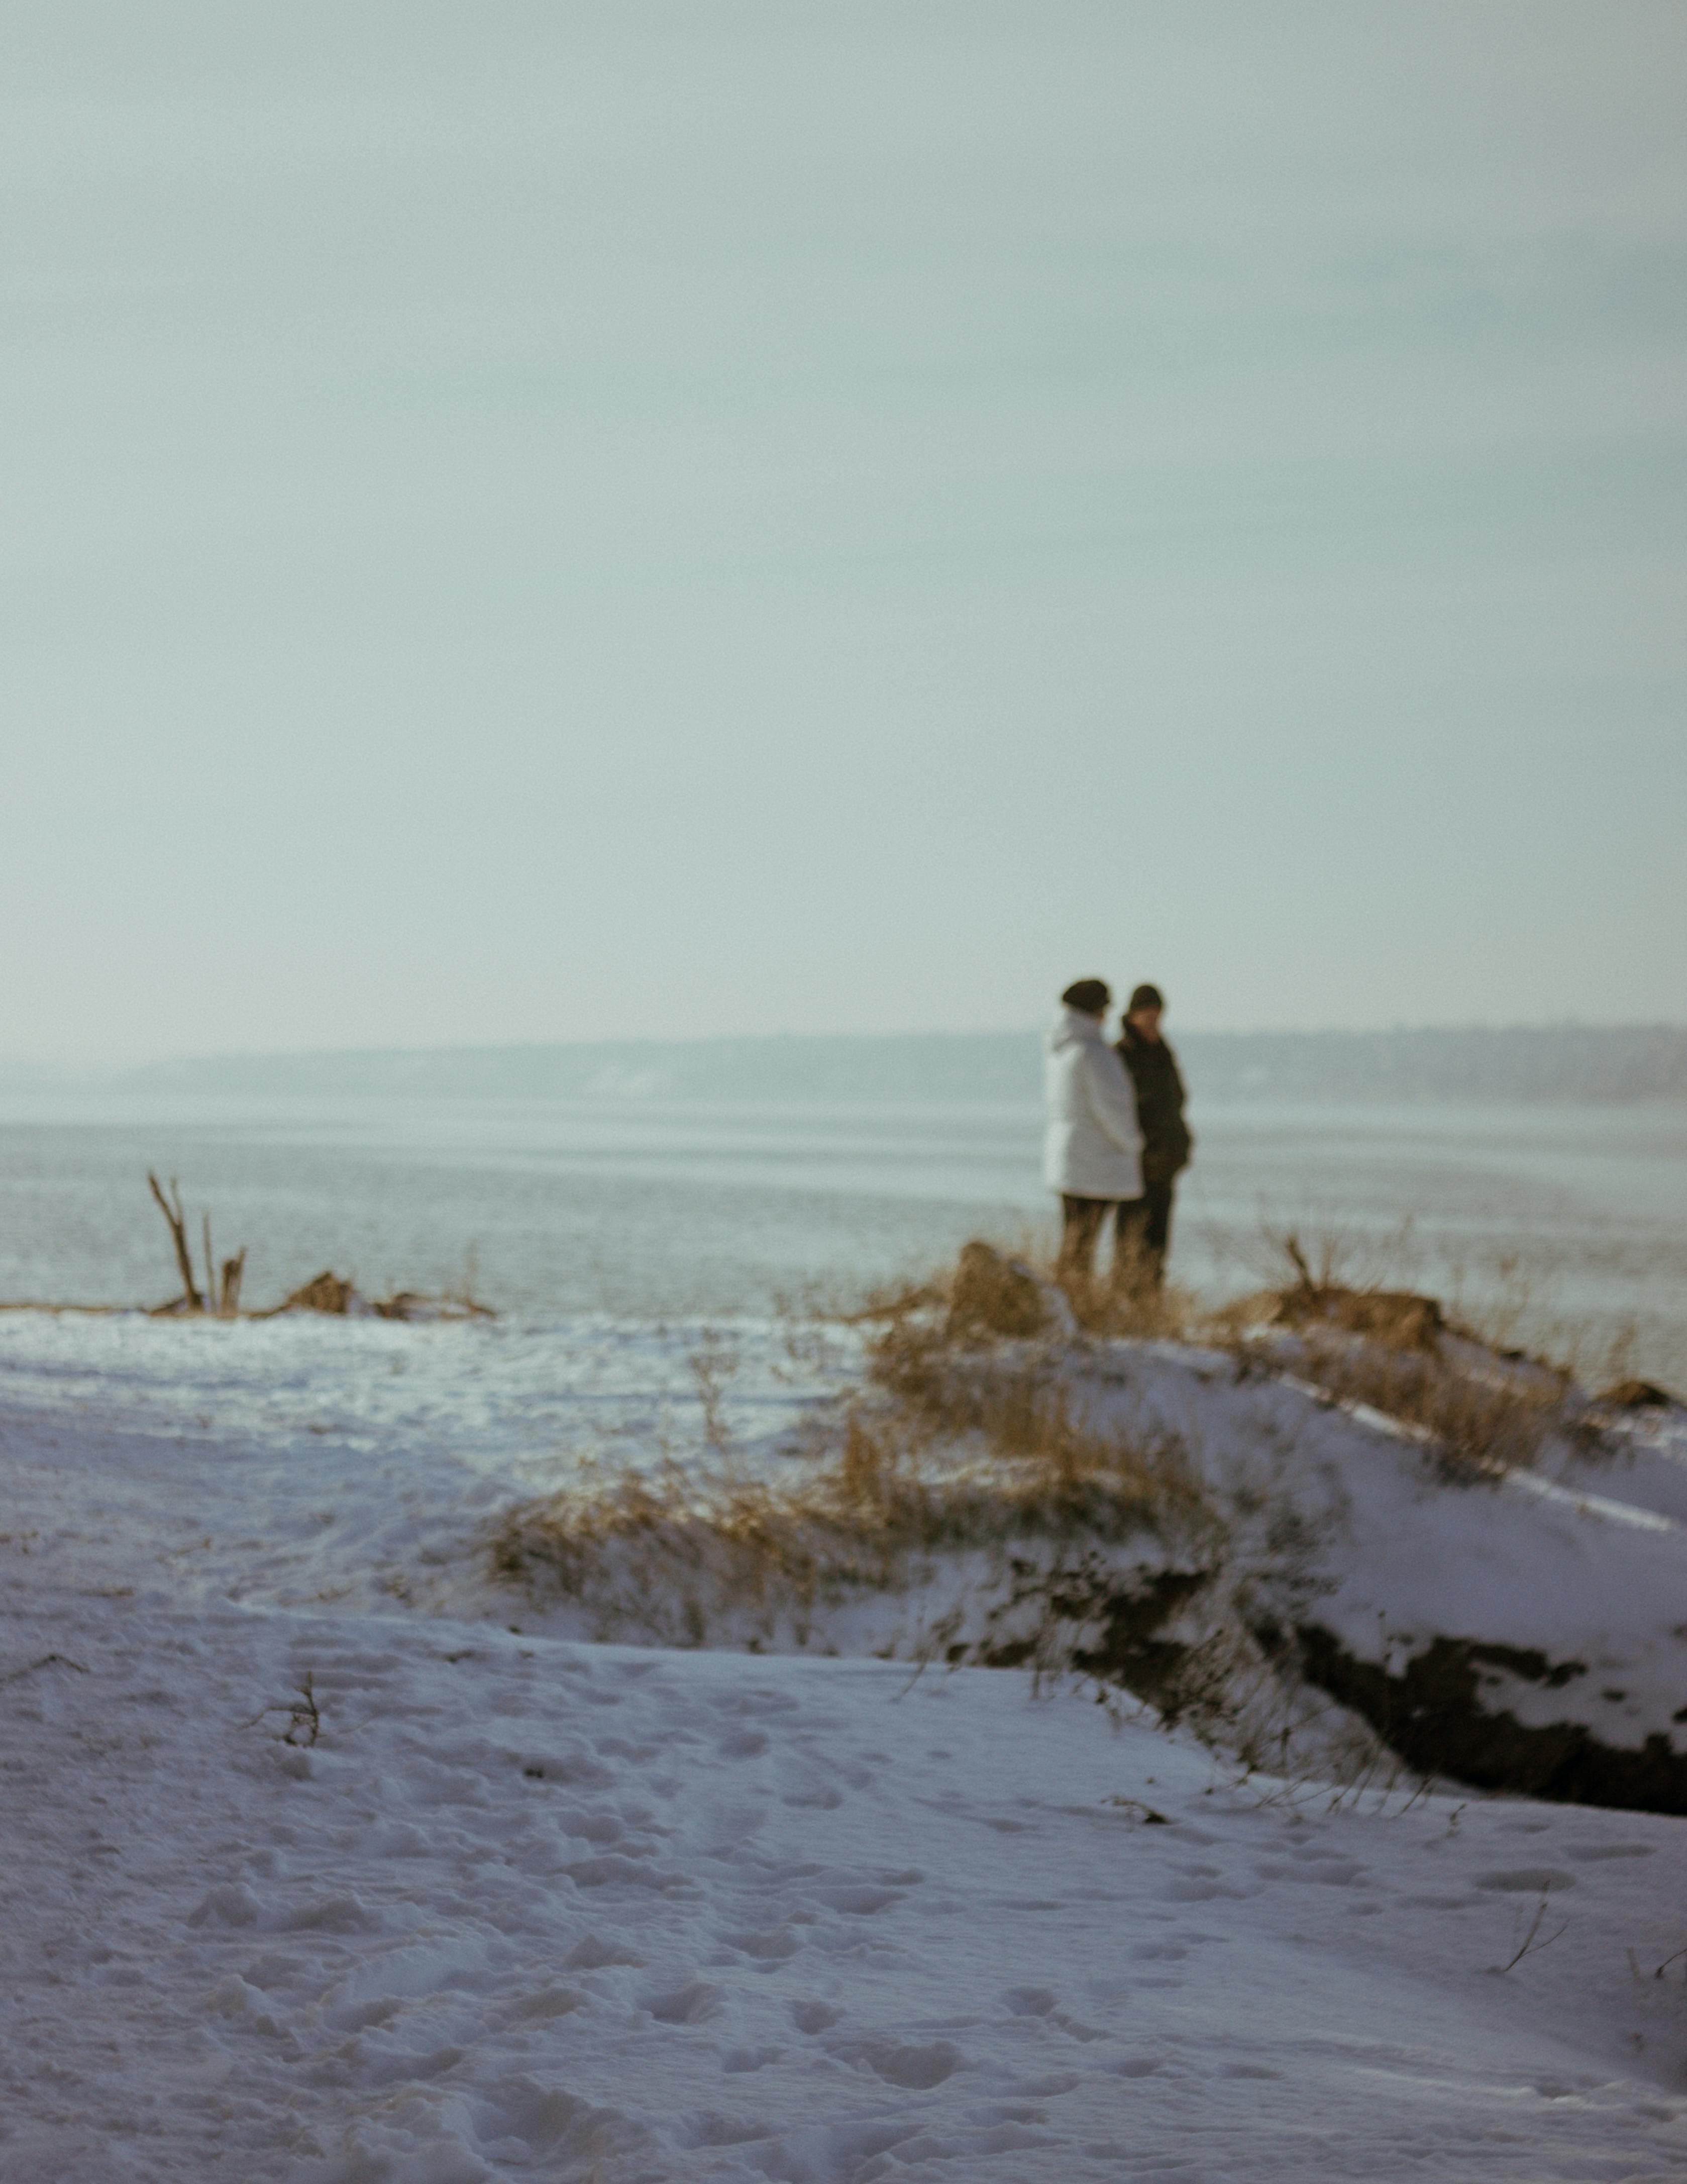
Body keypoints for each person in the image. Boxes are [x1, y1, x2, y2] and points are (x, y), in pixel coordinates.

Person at [1043, 978, 1143, 1281]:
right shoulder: (1092, 1054)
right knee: (1083, 1244)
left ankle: (1068, 1304)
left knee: (1075, 1242)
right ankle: (1076, 1305)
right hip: (1096, 1162)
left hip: (1071, 1159)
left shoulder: (1061, 1049)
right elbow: (1112, 1109)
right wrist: (1136, 1143)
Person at [1113, 983, 1192, 1288]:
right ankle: (1125, 1303)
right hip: (1137, 1162)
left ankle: (1151, 1304)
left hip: (1166, 1163)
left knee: (1159, 1243)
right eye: (1147, 1014)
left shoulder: (1163, 1052)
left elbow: (1178, 1099)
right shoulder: (1122, 1054)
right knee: (1132, 1238)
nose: (1153, 1021)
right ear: (1133, 1015)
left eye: (1157, 1015)